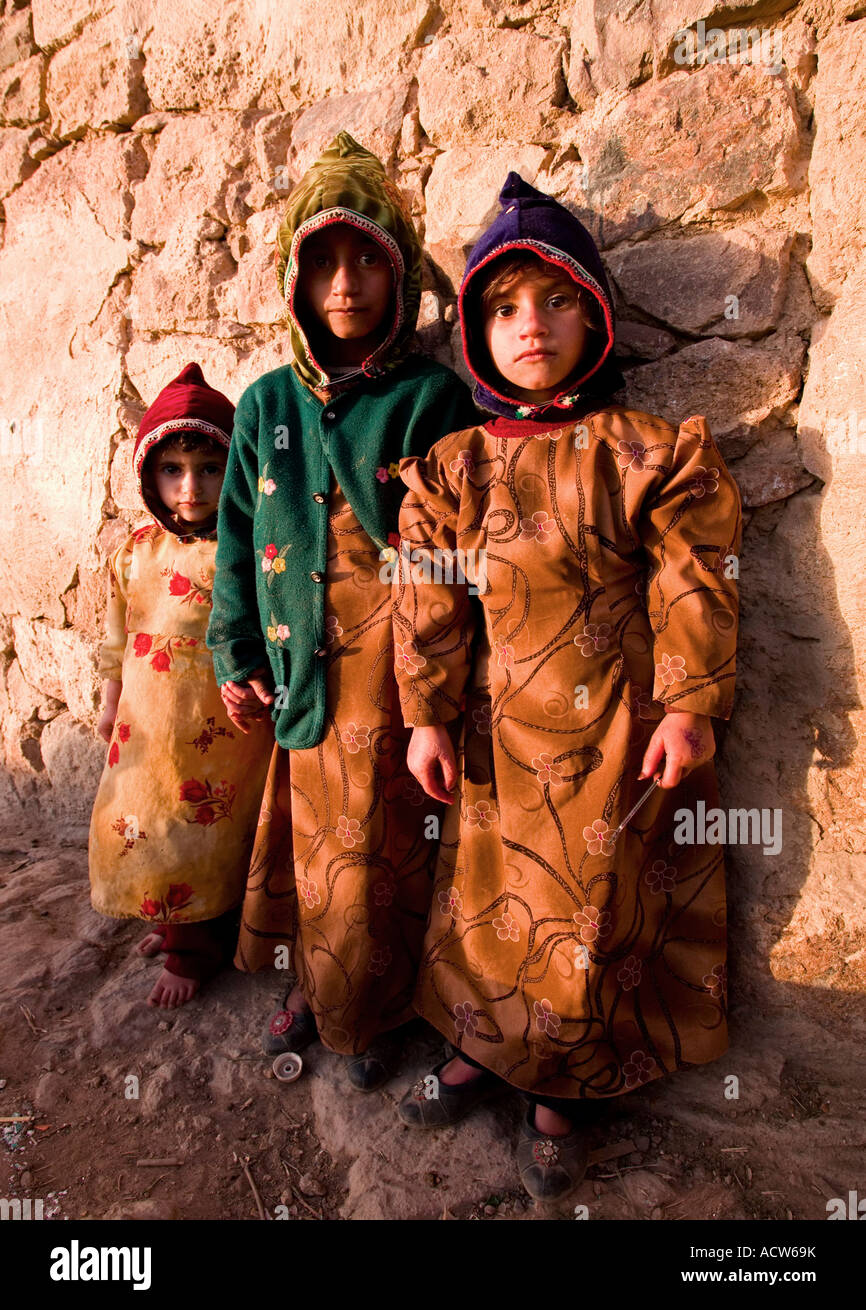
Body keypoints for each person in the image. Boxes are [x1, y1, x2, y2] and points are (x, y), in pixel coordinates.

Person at [392, 173, 742, 1200]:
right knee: (480, 902)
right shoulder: (454, 470)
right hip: (495, 731)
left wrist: (686, 704)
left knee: (589, 913)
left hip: (608, 739)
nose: (528, 326)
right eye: (500, 308)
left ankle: (560, 1087)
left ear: (593, 314)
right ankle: (474, 1047)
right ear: (471, 334)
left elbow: (692, 572)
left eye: (551, 300)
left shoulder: (639, 454)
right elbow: (429, 595)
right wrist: (423, 713)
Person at [206, 132, 479, 1089]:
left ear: (400, 272)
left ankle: (365, 1013)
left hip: (393, 667)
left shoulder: (432, 400)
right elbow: (237, 541)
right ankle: (315, 989)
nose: (346, 281)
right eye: (320, 258)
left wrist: (436, 689)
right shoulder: (262, 404)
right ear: (292, 279)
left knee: (378, 845)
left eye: (368, 256)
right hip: (299, 668)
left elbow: (450, 551)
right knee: (307, 840)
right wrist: (234, 648)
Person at [89, 364, 273, 1008]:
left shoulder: (244, 549)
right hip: (148, 726)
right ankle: (169, 920)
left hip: (221, 736)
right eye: (172, 469)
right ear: (150, 476)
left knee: (206, 836)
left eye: (209, 468)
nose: (190, 487)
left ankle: (193, 948)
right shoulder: (135, 551)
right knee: (145, 824)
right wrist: (111, 707)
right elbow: (116, 637)